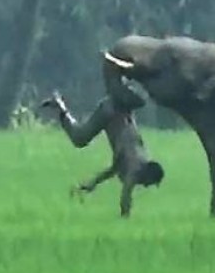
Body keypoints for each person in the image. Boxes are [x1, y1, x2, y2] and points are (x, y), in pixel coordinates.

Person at [40, 86, 164, 218]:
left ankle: (59, 106)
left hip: (118, 110)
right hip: (110, 112)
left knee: (80, 139)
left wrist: (92, 183)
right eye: (149, 182)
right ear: (147, 174)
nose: (146, 186)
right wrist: (125, 216)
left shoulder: (136, 158)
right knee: (79, 138)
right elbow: (126, 194)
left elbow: (113, 169)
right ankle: (60, 106)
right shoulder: (135, 169)